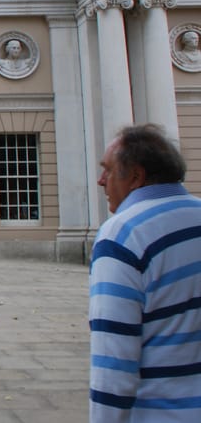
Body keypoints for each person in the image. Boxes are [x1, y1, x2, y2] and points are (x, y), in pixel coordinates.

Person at [89, 123, 201, 421]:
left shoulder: (123, 234)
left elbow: (114, 361)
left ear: (136, 177)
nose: (101, 181)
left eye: (108, 170)